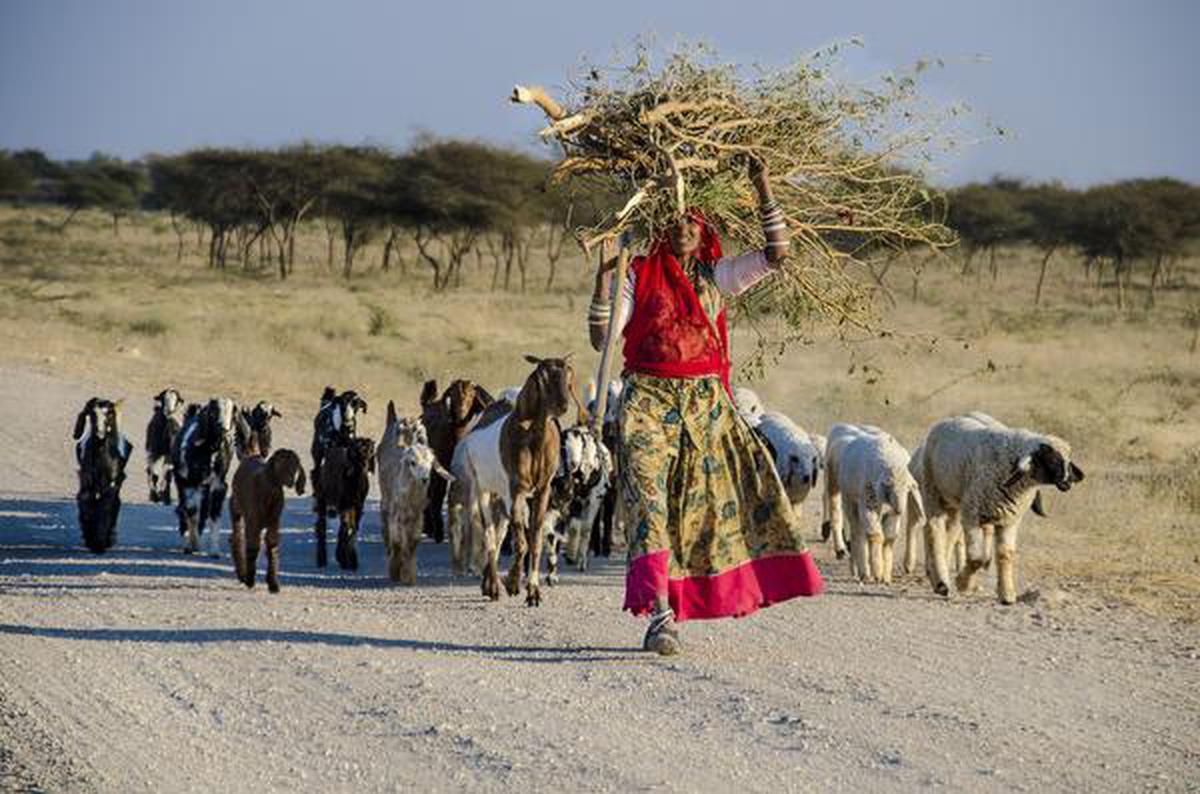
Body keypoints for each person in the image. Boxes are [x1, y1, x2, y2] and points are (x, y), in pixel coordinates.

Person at [587, 157, 824, 655]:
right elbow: (602, 339)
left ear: (705, 226)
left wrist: (762, 184)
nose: (684, 229)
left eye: (693, 221)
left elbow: (777, 255)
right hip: (646, 405)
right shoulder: (637, 274)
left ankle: (693, 597)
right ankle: (660, 617)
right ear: (660, 226)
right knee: (649, 508)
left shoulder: (718, 274)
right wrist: (603, 282)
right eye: (674, 222)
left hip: (705, 412)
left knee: (695, 515)